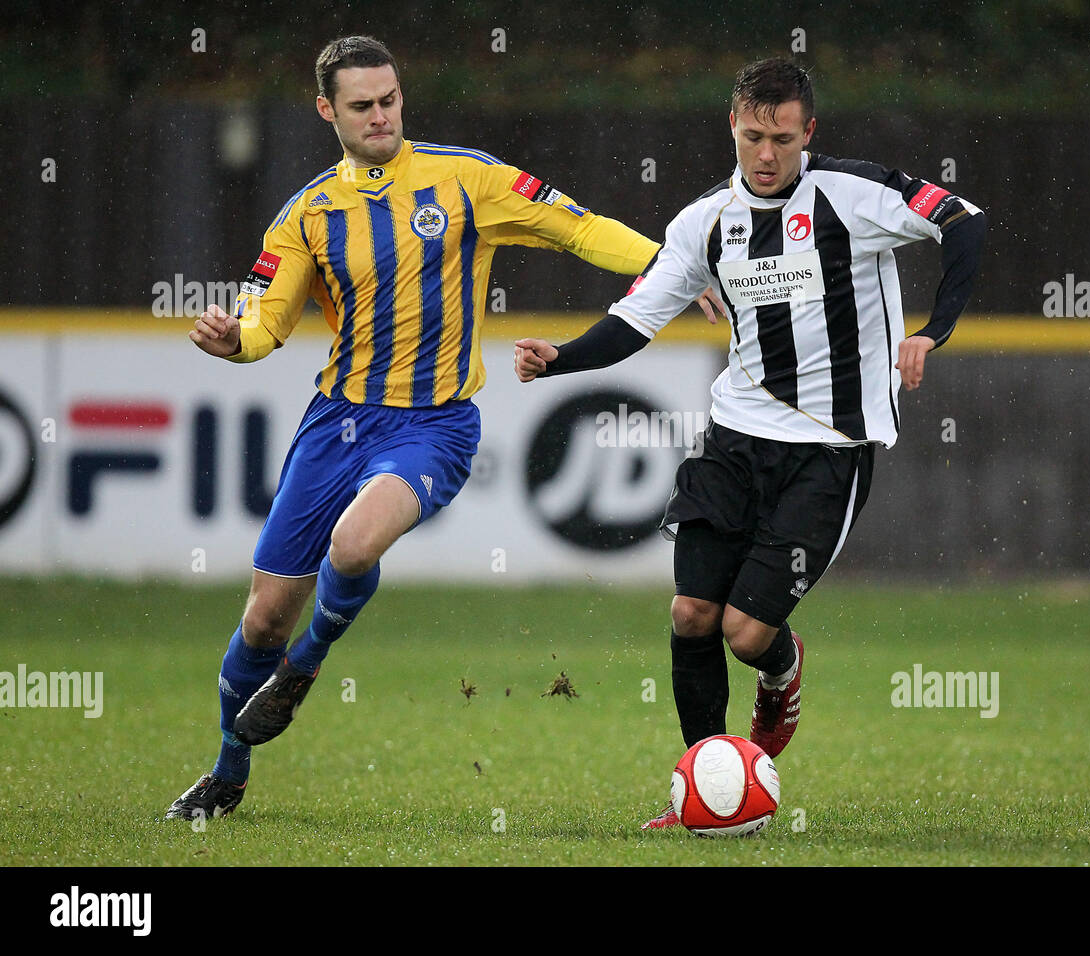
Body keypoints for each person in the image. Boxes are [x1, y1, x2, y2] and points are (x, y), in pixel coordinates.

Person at [166, 35, 699, 821]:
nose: (380, 115)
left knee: (353, 544)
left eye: (390, 99)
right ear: (327, 110)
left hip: (435, 426)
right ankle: (227, 770)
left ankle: (308, 664)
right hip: (335, 425)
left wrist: (673, 267)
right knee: (263, 615)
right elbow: (264, 323)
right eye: (361, 105)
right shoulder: (306, 215)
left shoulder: (465, 178)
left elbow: (580, 228)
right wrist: (231, 342)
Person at [514, 57, 987, 829]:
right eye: (753, 136)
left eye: (783, 139)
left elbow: (964, 218)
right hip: (732, 439)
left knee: (746, 632)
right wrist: (563, 357)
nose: (767, 155)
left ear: (810, 134)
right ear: (731, 127)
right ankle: (706, 790)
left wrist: (935, 329)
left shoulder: (853, 194)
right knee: (693, 614)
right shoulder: (704, 221)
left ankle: (784, 670)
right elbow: (639, 316)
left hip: (831, 448)